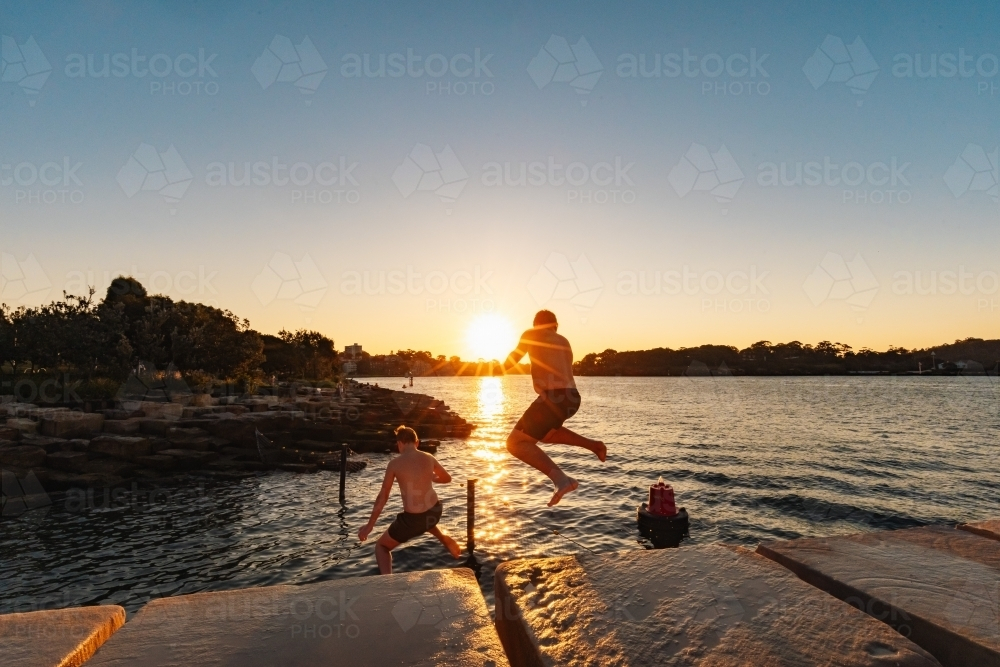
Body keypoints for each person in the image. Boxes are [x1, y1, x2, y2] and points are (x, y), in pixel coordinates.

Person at [501, 310, 606, 506]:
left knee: (514, 443)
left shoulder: (531, 334)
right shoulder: (563, 340)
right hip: (572, 398)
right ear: (555, 325)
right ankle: (594, 445)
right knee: (546, 435)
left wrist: (495, 369)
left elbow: (513, 359)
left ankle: (562, 480)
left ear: (536, 324)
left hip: (553, 398)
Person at [358, 425, 462, 574]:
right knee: (425, 519)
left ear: (399, 443)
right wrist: (432, 477)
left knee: (381, 547)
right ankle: (443, 538)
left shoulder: (394, 464)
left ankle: (389, 585)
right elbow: (447, 478)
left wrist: (369, 526)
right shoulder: (429, 457)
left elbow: (383, 496)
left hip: (413, 520)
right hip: (435, 511)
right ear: (417, 442)